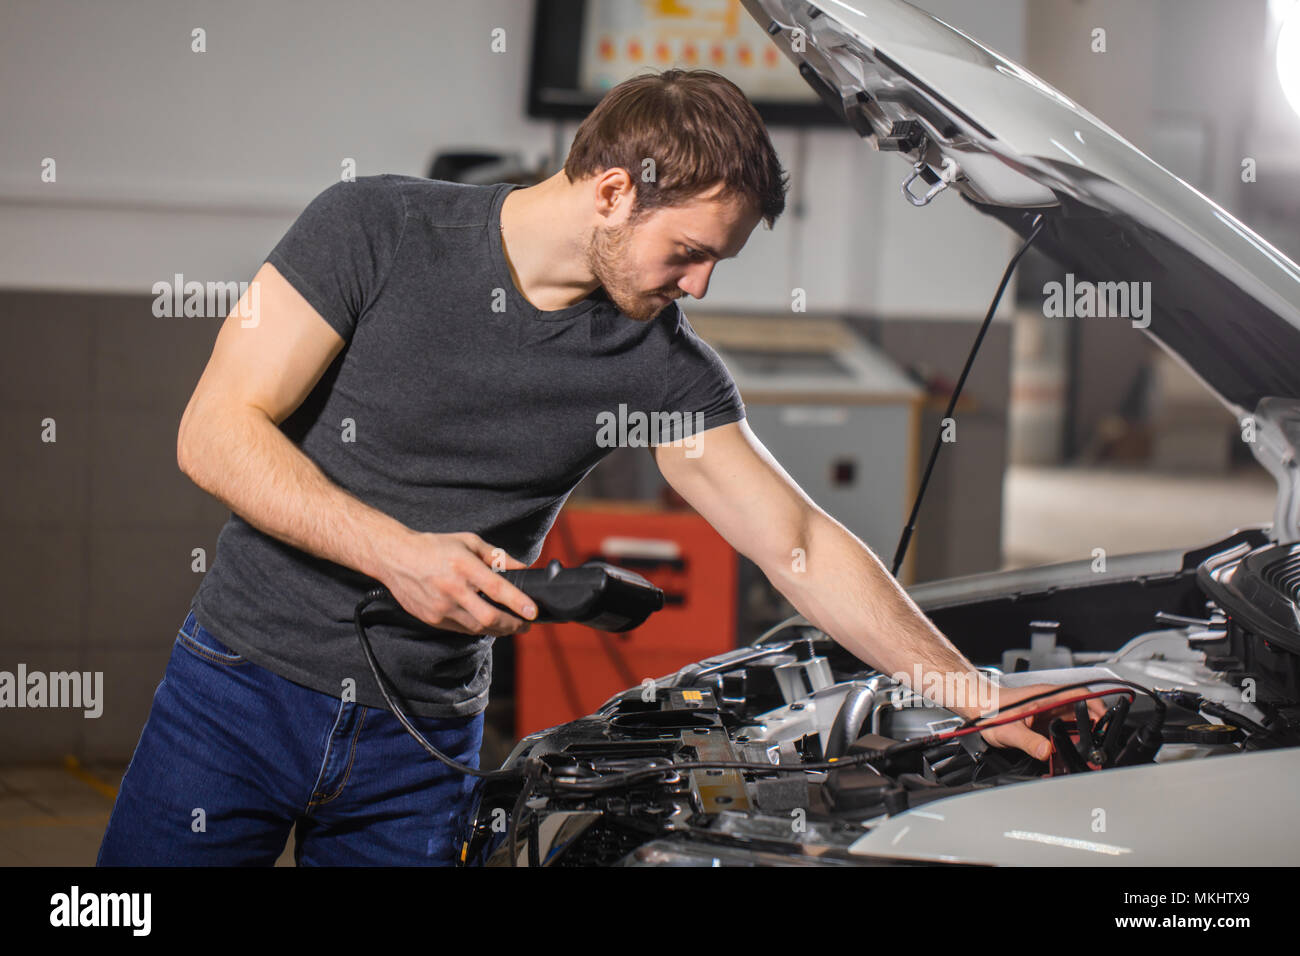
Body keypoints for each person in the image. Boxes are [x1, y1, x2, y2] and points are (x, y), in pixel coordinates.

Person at [97, 68, 1099, 867]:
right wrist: (397, 553)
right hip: (237, 692)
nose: (698, 285)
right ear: (614, 190)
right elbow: (216, 430)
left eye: (718, 263)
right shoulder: (372, 228)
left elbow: (793, 542)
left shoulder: (660, 362)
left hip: (424, 735)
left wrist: (972, 691)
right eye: (689, 251)